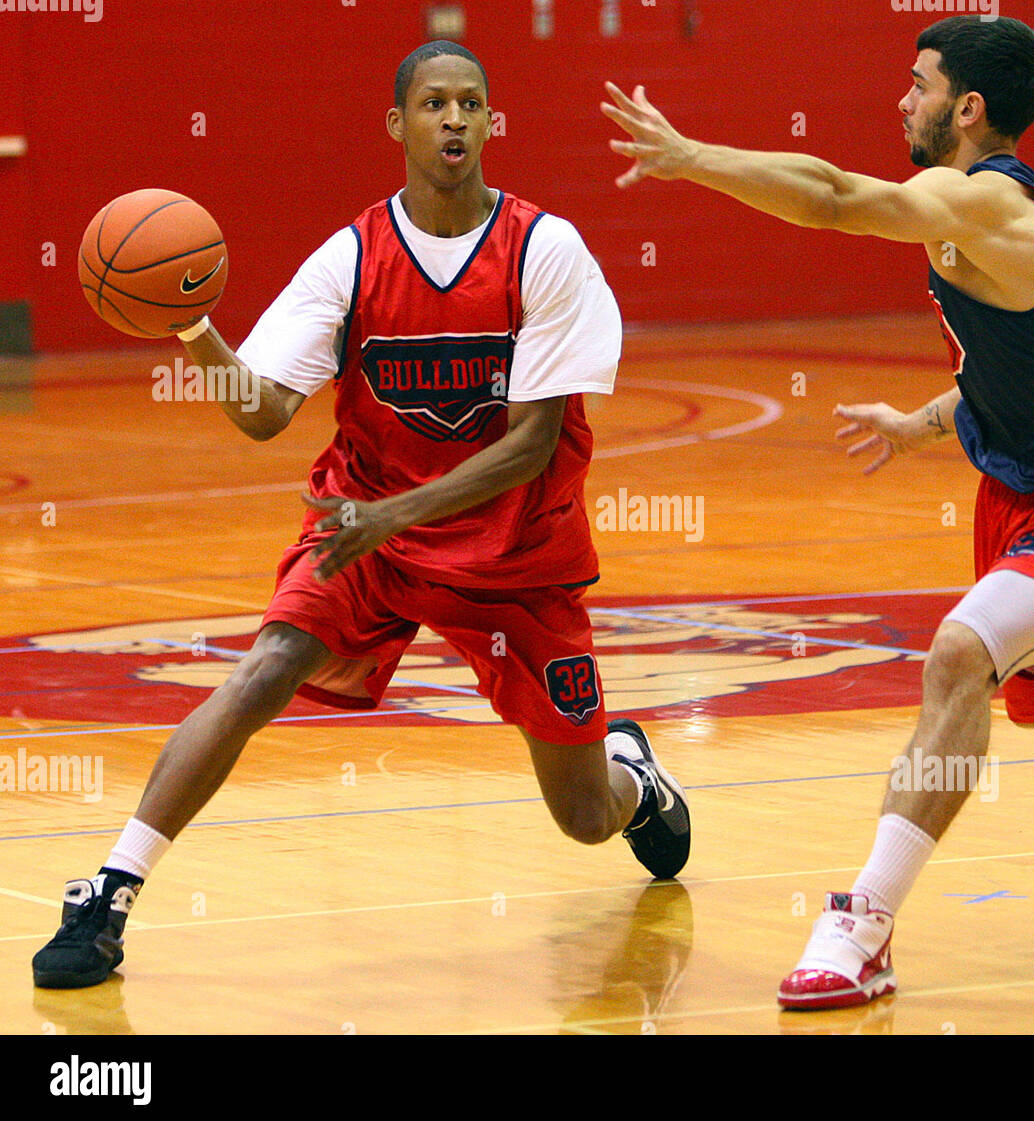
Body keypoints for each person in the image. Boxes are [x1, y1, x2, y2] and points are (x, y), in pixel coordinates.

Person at [602, 15, 1034, 1010]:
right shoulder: (993, 220)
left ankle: (860, 927)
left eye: (916, 84)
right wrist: (926, 420)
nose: (900, 101)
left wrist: (692, 157)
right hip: (1026, 498)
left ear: (967, 108)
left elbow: (828, 196)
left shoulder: (983, 203)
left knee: (957, 655)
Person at [33, 40, 689, 991]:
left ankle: (633, 773)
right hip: (366, 532)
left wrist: (389, 518)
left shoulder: (547, 250)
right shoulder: (349, 258)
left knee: (584, 816)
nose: (454, 119)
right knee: (265, 666)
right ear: (399, 125)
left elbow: (532, 444)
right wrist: (192, 325)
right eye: (434, 104)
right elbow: (261, 411)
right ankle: (110, 891)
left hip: (517, 552)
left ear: (490, 123)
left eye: (471, 103)